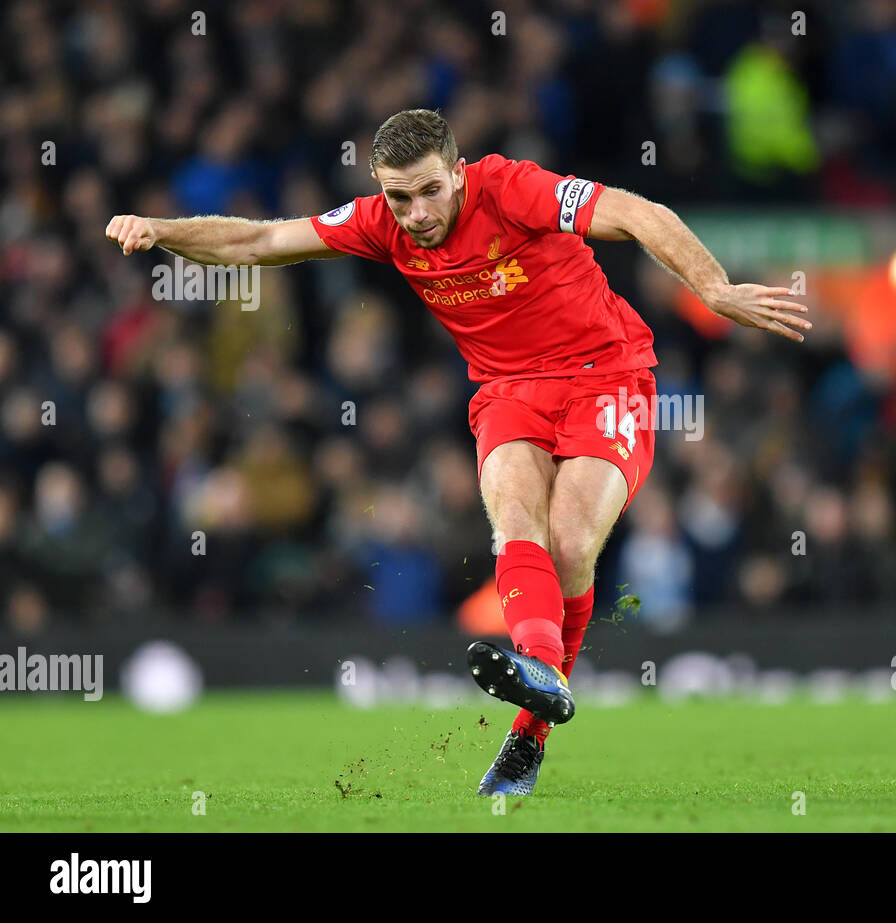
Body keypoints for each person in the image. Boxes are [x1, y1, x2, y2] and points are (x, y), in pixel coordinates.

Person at [105, 108, 810, 795]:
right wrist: (161, 229)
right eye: (398, 196)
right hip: (508, 390)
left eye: (429, 190)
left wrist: (712, 287)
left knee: (568, 547)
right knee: (513, 517)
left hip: (607, 374)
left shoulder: (513, 188)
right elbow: (254, 244)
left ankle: (531, 726)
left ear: (460, 173)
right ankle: (540, 671)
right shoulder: (381, 224)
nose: (415, 213)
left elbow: (631, 211)